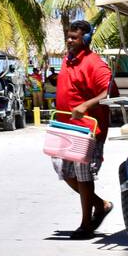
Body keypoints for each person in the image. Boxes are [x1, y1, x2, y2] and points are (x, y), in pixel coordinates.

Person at [53, 20, 115, 239]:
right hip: (64, 126)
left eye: (74, 37)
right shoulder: (66, 61)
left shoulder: (95, 63)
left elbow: (109, 93)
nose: (69, 41)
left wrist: (86, 105)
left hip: (86, 129)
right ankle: (101, 205)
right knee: (63, 170)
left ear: (86, 39)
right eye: (68, 37)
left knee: (83, 175)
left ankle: (86, 225)